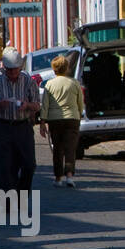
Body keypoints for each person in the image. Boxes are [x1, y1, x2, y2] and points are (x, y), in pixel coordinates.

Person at [0, 48, 41, 193]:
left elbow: (37, 105)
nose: (13, 74)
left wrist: (27, 105)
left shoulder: (28, 81)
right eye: (9, 71)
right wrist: (0, 105)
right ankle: (8, 197)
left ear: (20, 68)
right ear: (4, 69)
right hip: (3, 126)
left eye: (16, 70)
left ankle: (22, 192)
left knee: (29, 164)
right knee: (5, 165)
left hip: (23, 126)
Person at [41, 54, 83, 188]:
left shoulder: (49, 84)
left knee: (57, 149)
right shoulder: (74, 83)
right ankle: (69, 176)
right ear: (67, 68)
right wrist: (79, 114)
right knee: (70, 148)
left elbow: (45, 105)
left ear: (54, 69)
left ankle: (58, 178)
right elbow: (80, 102)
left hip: (54, 120)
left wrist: (43, 122)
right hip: (72, 118)